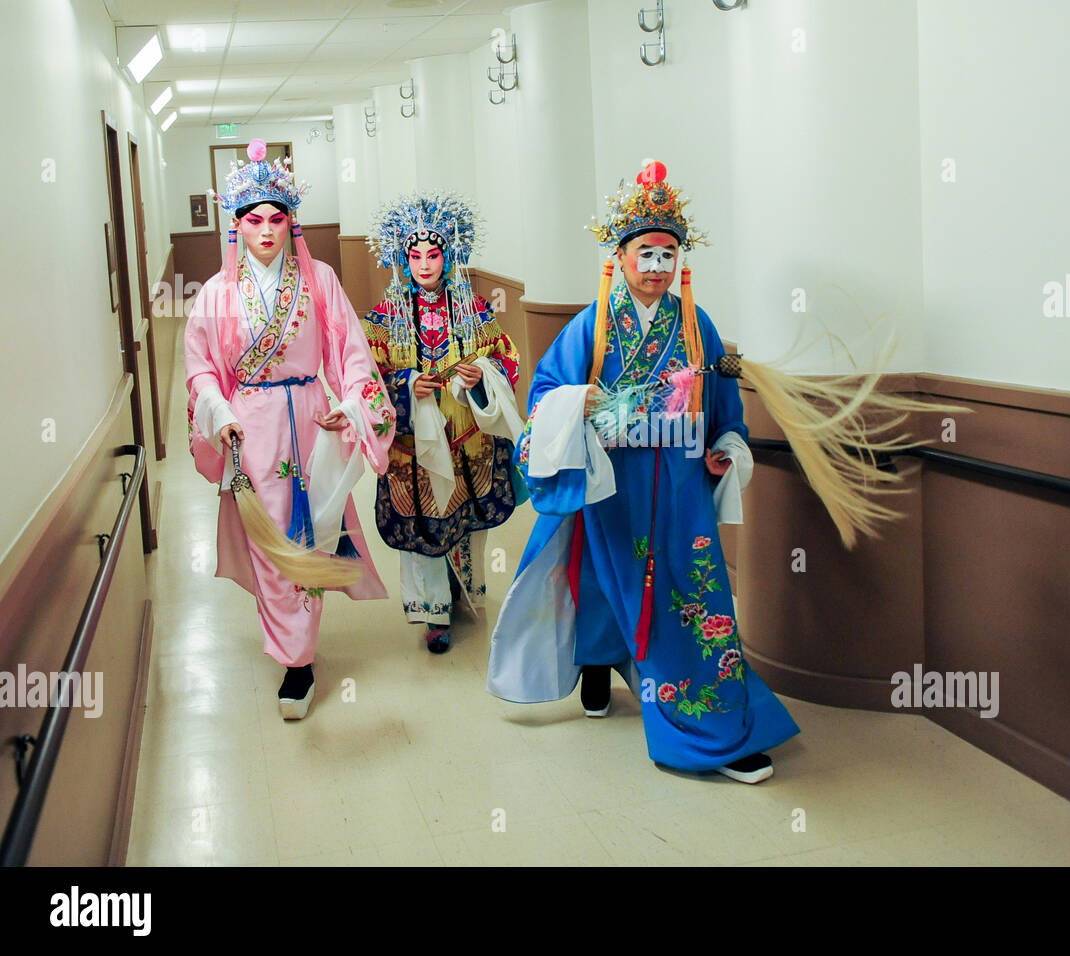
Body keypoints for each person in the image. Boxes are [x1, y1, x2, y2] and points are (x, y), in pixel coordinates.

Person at [486, 161, 798, 784]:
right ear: (620, 257)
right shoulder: (592, 325)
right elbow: (544, 393)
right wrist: (583, 402)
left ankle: (713, 726)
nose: (656, 267)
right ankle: (598, 661)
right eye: (644, 253)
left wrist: (724, 448)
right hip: (612, 479)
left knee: (694, 596)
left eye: (667, 254)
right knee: (603, 575)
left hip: (681, 484)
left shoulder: (696, 324)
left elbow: (721, 411)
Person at [184, 139, 396, 719]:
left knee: (312, 531)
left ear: (291, 223)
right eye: (254, 220)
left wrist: (353, 404)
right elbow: (201, 369)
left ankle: (299, 648)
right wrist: (219, 414)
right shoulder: (216, 293)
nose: (267, 231)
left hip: (310, 418)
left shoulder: (320, 279)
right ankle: (296, 661)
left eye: (278, 219)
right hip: (250, 429)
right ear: (237, 226)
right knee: (271, 541)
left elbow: (351, 350)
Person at [360, 194, 525, 654]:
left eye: (434, 255)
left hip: (468, 437)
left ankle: (463, 590)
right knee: (423, 523)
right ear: (402, 258)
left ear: (449, 255)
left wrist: (482, 377)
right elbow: (369, 377)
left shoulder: (474, 309)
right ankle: (432, 610)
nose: (425, 264)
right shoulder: (385, 317)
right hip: (414, 444)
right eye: (415, 256)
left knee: (468, 520)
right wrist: (405, 385)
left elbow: (505, 359)